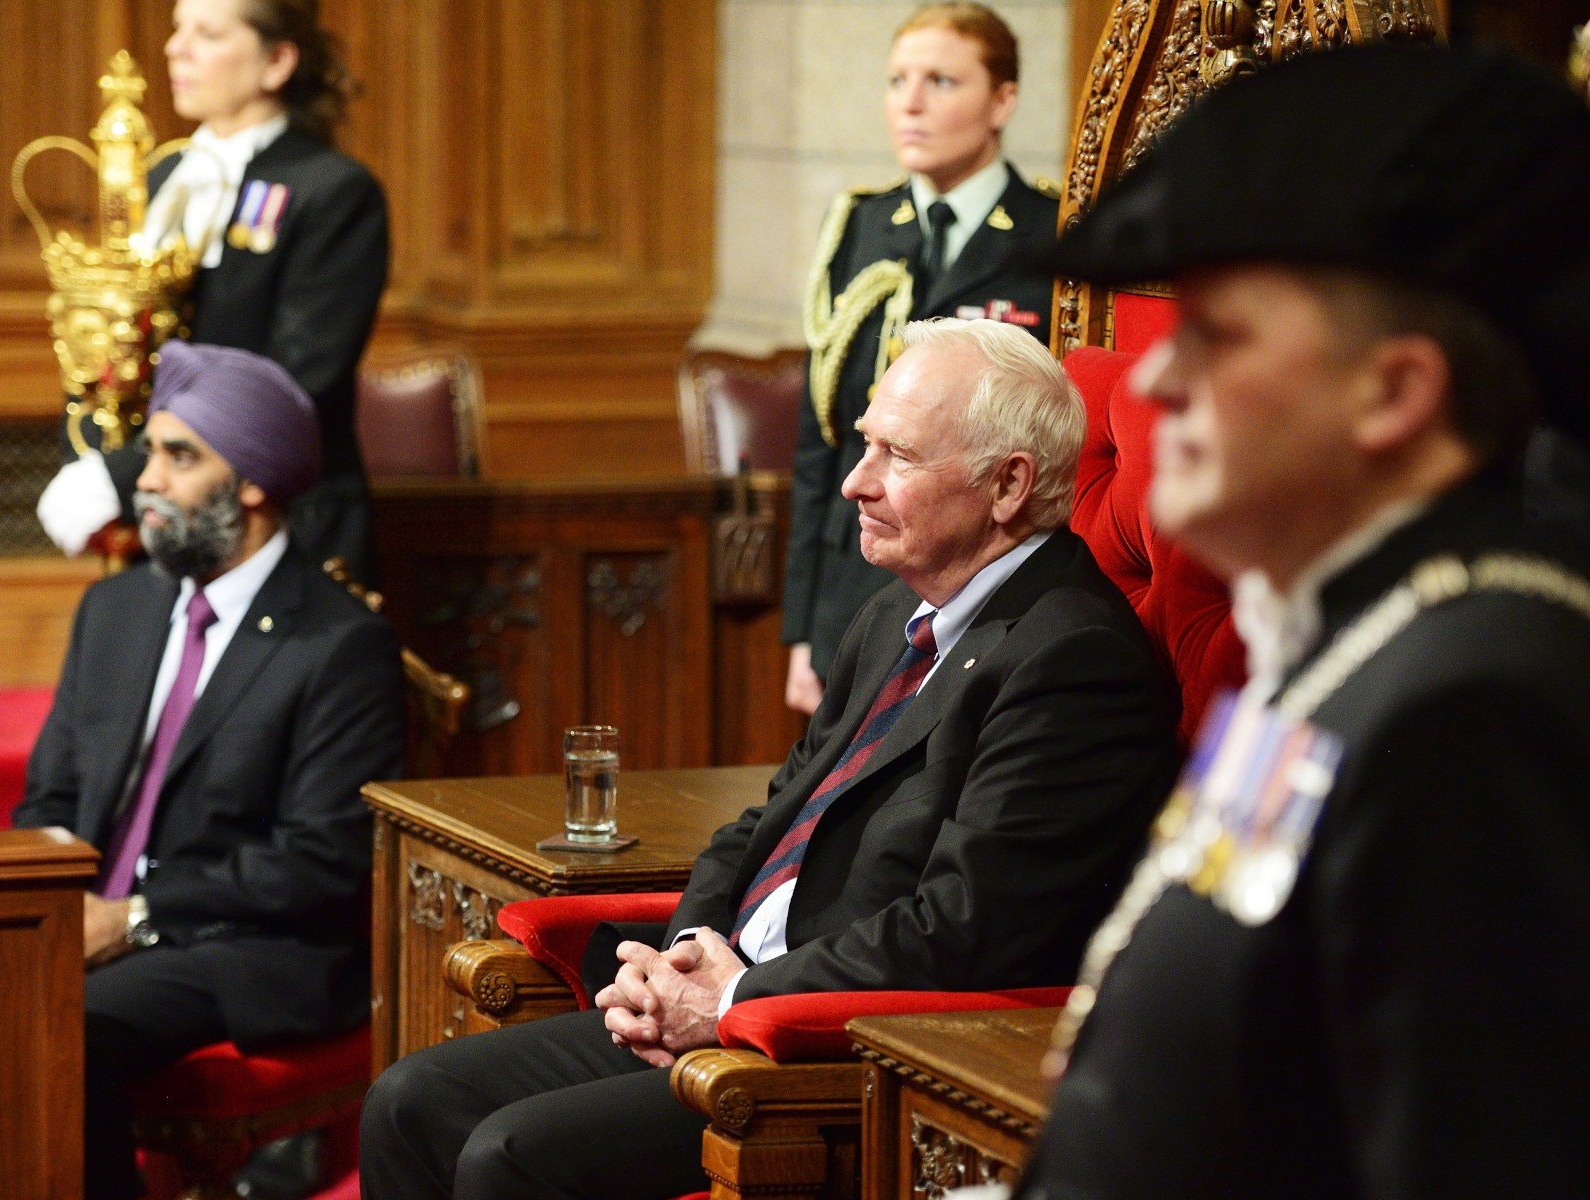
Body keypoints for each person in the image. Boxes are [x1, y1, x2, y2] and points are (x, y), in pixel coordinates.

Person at [358, 318, 1181, 1200]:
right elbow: (773, 819)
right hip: (735, 997)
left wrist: (733, 998)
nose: (857, 482)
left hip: (833, 1046)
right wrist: (682, 957)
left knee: (507, 1157)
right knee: (410, 1102)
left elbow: (964, 929)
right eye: (865, 445)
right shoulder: (892, 617)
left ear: (1008, 485)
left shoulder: (1072, 658)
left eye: (898, 457)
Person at [1015, 44, 1590, 1200]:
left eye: (1215, 334)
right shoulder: (1344, 638)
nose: (1152, 382)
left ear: (1396, 391)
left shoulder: (1473, 703)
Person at [14, 340, 405, 1200]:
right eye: (150, 453)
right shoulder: (114, 607)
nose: (146, 480)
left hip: (240, 947)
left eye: (178, 457)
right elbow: (50, 797)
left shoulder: (340, 645)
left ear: (252, 484)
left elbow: (320, 861)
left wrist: (132, 918)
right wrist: (44, 896)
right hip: (89, 919)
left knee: (57, 1027)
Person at [38, 0, 389, 582]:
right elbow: (111, 343)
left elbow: (291, 384)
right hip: (162, 514)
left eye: (208, 33)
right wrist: (89, 460)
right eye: (179, 29)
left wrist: (120, 478)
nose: (176, 48)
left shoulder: (333, 192)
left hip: (277, 527)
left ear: (277, 62)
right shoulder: (164, 180)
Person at [783, 1, 1058, 716]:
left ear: (1002, 101)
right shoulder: (860, 226)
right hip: (855, 581)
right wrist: (803, 629)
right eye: (897, 80)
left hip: (984, 584)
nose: (910, 103)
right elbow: (821, 441)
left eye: (941, 81)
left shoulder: (1053, 232)